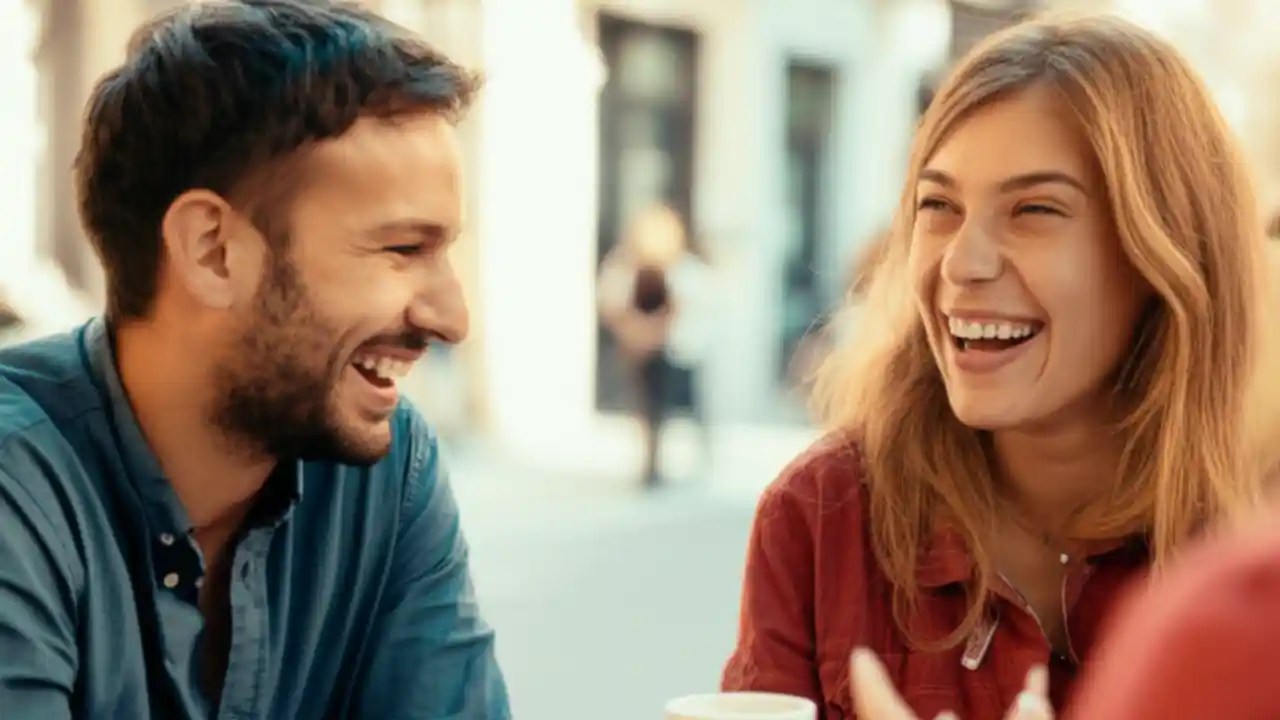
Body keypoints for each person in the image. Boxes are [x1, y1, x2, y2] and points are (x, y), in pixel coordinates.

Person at [721, 13, 1271, 720]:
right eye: (939, 206)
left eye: (1034, 210)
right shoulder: (821, 515)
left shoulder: (1257, 540)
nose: (962, 262)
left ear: (1161, 250)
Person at [0, 1, 509, 718]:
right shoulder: (17, 489)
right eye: (401, 249)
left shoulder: (390, 476)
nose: (451, 318)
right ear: (212, 251)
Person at [598, 204, 712, 488]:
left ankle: (677, 457)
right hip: (642, 348)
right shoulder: (625, 266)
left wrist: (651, 334)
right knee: (649, 405)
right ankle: (652, 462)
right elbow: (613, 304)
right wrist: (636, 334)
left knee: (677, 402)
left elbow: (684, 308)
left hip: (673, 348)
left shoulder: (682, 269)